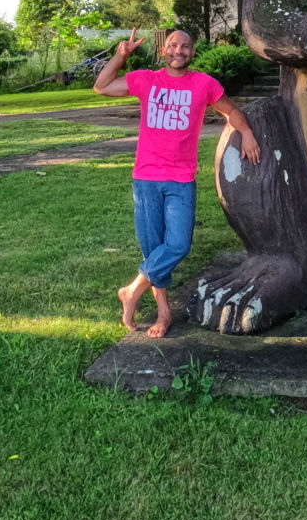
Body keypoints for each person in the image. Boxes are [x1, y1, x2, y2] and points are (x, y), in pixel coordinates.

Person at [93, 28, 260, 338]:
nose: (178, 50)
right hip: (146, 178)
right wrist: (120, 56)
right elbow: (101, 86)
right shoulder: (146, 80)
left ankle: (131, 291)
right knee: (153, 249)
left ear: (192, 53)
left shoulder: (204, 84)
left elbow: (231, 110)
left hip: (181, 180)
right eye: (173, 45)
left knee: (178, 245)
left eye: (185, 46)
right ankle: (164, 313)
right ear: (164, 51)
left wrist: (247, 132)